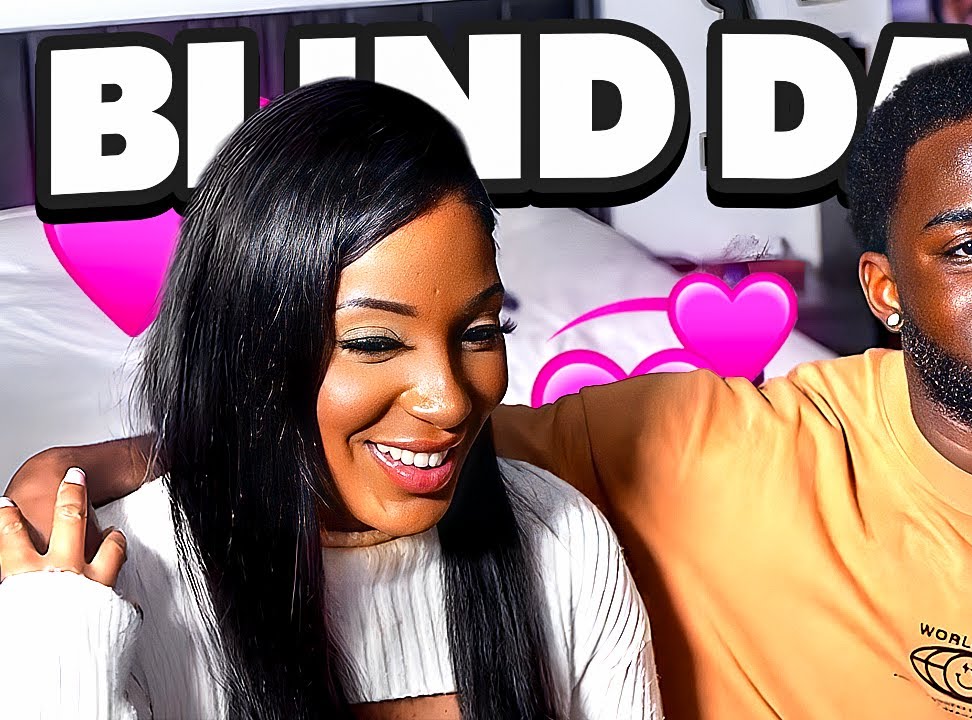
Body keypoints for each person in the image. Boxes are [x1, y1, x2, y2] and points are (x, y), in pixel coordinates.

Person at [10, 51, 972, 719]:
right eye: (966, 246)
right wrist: (133, 462)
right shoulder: (697, 447)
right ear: (885, 291)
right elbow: (403, 442)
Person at [0, 79, 659, 720]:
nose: (450, 402)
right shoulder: (104, 581)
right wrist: (62, 647)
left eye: (481, 331)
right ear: (251, 351)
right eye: (374, 342)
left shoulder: (560, 539)